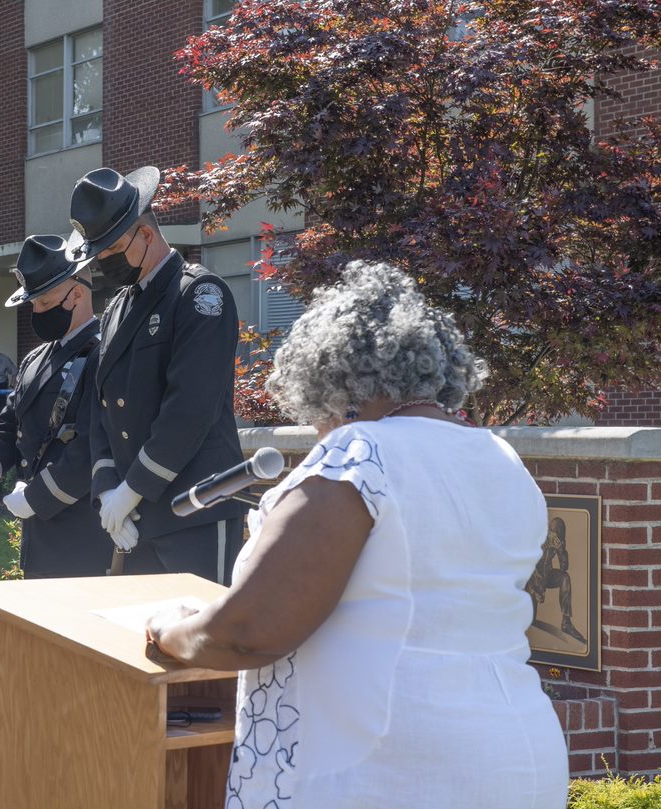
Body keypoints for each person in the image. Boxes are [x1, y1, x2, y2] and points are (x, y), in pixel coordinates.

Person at [145, 263, 567, 809]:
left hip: (390, 770)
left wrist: (169, 628)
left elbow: (247, 632)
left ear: (336, 384)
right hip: (517, 758)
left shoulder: (359, 453)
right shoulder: (502, 458)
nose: (321, 428)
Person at [67, 166, 245, 583]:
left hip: (195, 509)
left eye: (110, 253)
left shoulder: (198, 295)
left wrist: (133, 489)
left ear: (145, 235)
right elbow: (100, 411)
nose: (103, 265)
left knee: (204, 642)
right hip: (136, 519)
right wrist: (108, 491)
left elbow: (190, 409)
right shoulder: (116, 311)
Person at [0, 235, 113, 577]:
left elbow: (93, 444)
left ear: (77, 294)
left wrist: (38, 497)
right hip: (40, 535)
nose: (36, 312)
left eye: (44, 302)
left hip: (85, 533)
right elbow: (9, 427)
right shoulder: (37, 359)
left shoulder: (106, 354)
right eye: (33, 303)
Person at [527, 516, 587, 645]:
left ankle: (566, 622)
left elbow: (564, 567)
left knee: (565, 577)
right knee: (530, 621)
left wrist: (561, 550)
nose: (553, 534)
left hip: (547, 575)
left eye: (557, 532)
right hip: (532, 580)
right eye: (551, 531)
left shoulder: (558, 542)